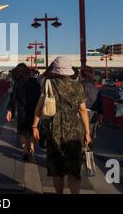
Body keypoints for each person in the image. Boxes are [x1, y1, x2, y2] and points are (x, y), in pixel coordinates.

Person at [32, 56, 91, 194]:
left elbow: (39, 108)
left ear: (56, 69)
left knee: (57, 169)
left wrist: (34, 126)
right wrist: (87, 132)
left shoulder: (49, 84)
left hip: (54, 128)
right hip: (74, 129)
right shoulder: (77, 86)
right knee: (74, 168)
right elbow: (83, 110)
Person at [6, 64, 41, 162]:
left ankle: (25, 152)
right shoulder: (35, 82)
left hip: (22, 112)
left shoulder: (18, 84)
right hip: (34, 111)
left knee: (23, 133)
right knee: (33, 130)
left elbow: (13, 98)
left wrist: (9, 110)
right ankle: (32, 148)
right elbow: (40, 98)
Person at [80, 67, 104, 143]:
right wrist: (100, 118)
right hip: (92, 114)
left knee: (79, 137)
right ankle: (88, 152)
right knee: (89, 137)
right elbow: (99, 104)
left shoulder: (78, 86)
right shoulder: (95, 88)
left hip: (79, 113)